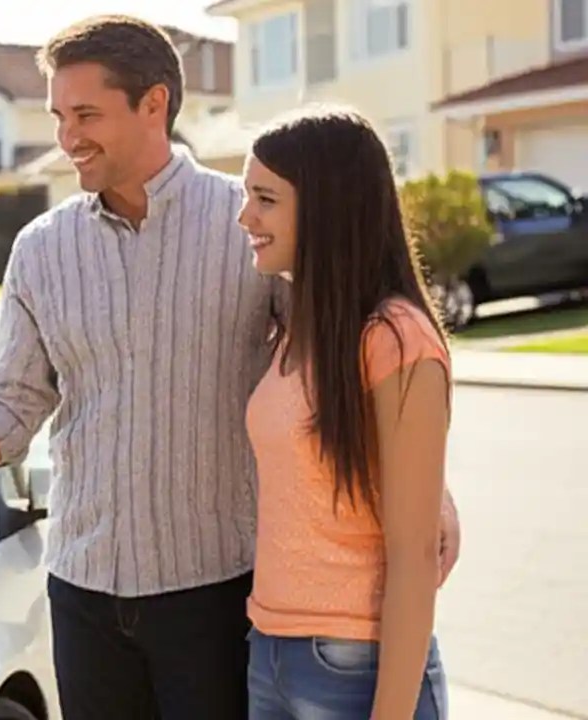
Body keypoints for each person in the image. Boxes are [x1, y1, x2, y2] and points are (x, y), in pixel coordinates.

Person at [0, 15, 462, 719]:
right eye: (60, 115)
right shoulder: (40, 251)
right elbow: (6, 411)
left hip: (216, 595)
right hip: (83, 595)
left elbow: (349, 357)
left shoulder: (252, 227)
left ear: (154, 104)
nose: (67, 138)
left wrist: (430, 494)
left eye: (87, 114)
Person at [238, 106, 452, 719]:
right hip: (272, 652)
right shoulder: (304, 329)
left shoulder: (395, 339)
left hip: (355, 664)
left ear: (327, 207)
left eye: (265, 199)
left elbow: (414, 558)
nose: (245, 216)